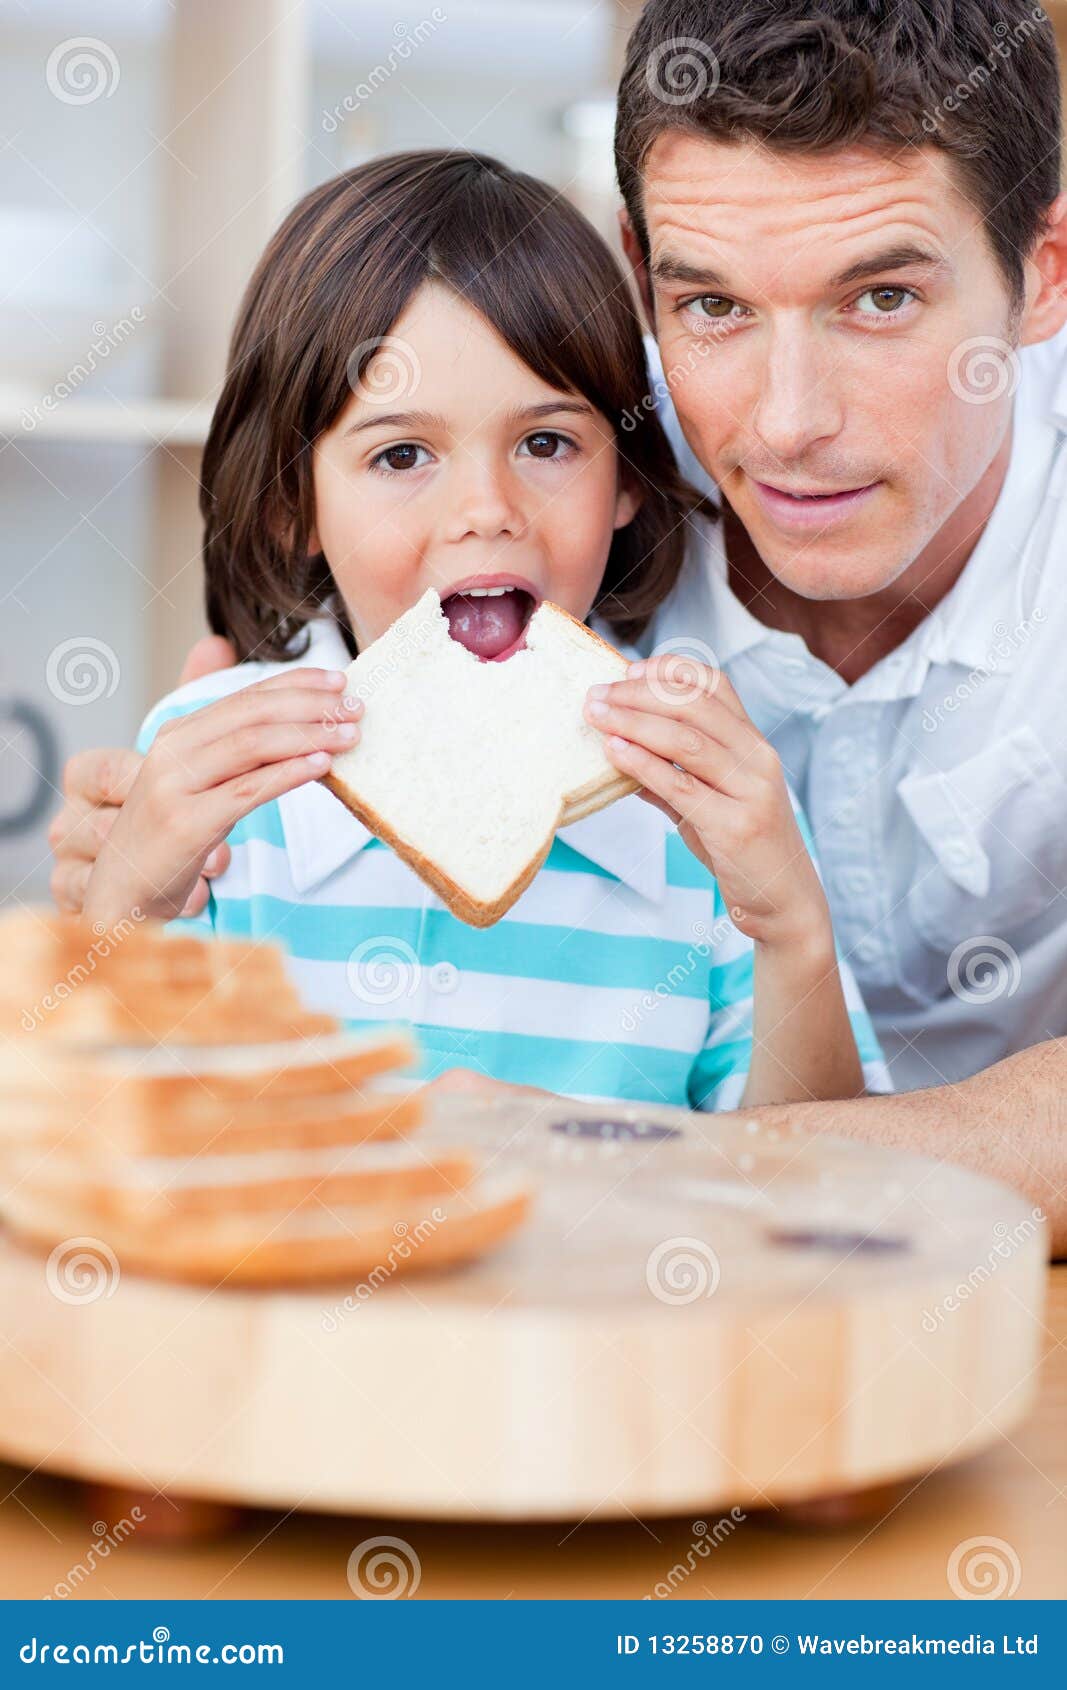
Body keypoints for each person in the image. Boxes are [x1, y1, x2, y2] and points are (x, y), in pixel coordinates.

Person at [52, 0, 1067, 1247]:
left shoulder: (669, 756)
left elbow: (797, 1198)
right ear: (645, 289)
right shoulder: (585, 385)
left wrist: (605, 1159)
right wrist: (121, 904)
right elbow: (90, 1110)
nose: (788, 422)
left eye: (879, 299)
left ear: (1043, 270)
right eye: (711, 308)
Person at [77, 149, 885, 1112]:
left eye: (545, 444)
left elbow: (807, 1174)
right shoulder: (207, 776)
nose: (484, 510)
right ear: (294, 503)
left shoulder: (711, 797)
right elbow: (93, 1141)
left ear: (628, 478)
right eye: (402, 453)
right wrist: (120, 910)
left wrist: (792, 932)